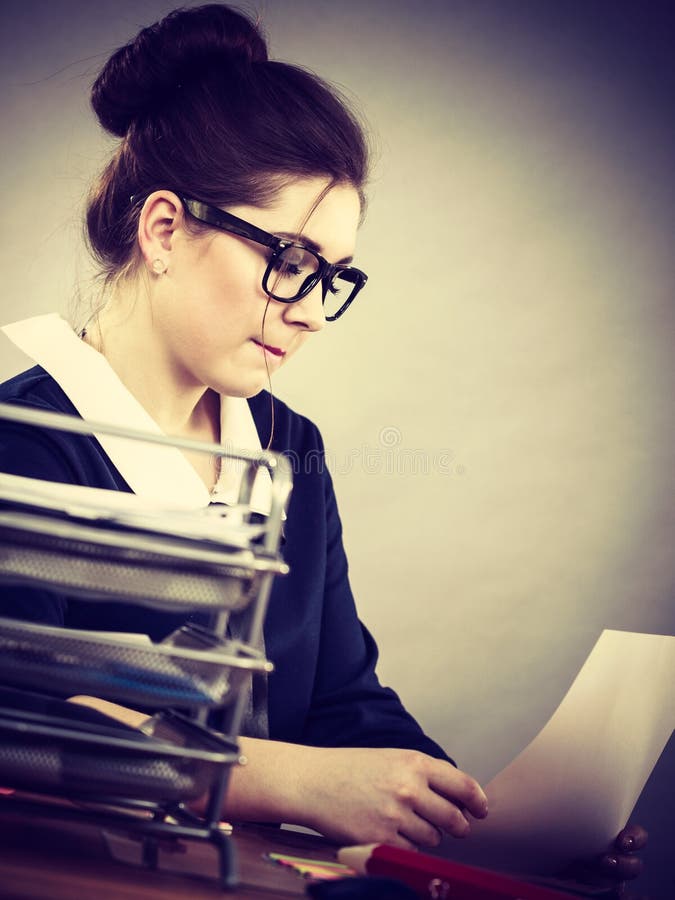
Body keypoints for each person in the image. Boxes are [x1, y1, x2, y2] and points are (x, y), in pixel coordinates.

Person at [0, 3, 645, 882]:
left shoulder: (287, 448)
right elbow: (13, 719)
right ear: (162, 230)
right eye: (291, 260)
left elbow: (341, 703)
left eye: (331, 279)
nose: (308, 312)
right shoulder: (26, 444)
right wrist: (283, 779)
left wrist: (479, 821)